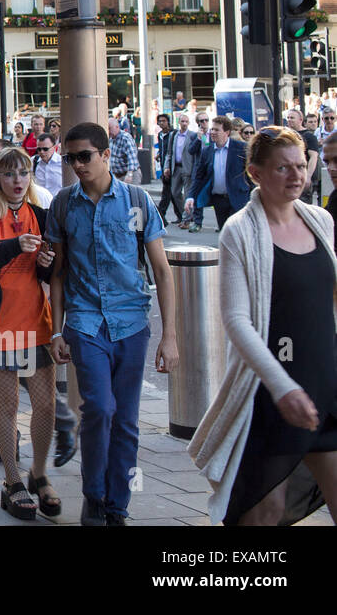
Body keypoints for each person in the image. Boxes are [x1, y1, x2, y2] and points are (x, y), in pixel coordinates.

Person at [187, 126, 337, 525]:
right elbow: (236, 320)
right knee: (264, 511)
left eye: (301, 166)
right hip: (273, 392)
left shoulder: (321, 221)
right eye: (283, 168)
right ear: (255, 172)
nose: (296, 176)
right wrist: (282, 386)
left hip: (326, 383)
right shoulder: (240, 230)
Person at [47, 122, 179, 526]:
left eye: (84, 156)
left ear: (106, 154)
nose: (77, 165)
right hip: (85, 321)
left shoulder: (137, 200)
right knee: (100, 409)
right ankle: (95, 495)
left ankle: (118, 505)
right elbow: (58, 273)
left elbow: (161, 269)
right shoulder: (64, 203)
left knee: (126, 419)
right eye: (70, 158)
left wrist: (169, 336)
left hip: (131, 322)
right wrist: (57, 329)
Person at [0, 147, 60, 520]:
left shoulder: (40, 215)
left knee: (45, 405)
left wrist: (47, 262)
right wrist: (13, 246)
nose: (17, 181)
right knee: (8, 405)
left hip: (36, 322)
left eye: (23, 174)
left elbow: (48, 275)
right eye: (9, 174)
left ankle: (39, 473)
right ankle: (12, 482)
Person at [183, 116, 250, 231]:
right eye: (212, 129)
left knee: (238, 233)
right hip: (219, 200)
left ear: (227, 132)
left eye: (217, 130)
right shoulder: (207, 152)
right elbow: (199, 177)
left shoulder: (240, 148)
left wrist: (252, 196)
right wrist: (190, 197)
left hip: (238, 198)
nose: (213, 132)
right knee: (225, 233)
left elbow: (251, 173)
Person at [285, 108, 321, 206]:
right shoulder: (285, 135)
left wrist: (308, 176)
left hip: (302, 177)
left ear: (300, 120)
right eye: (288, 117)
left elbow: (314, 157)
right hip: (288, 177)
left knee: (303, 206)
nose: (289, 120)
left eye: (292, 118)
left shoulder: (309, 136)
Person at [154, 113, 177, 225]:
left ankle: (160, 215)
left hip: (171, 167)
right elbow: (163, 149)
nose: (162, 123)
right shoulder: (160, 135)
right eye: (160, 121)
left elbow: (171, 151)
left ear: (168, 122)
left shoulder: (173, 134)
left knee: (167, 193)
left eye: (164, 121)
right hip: (163, 165)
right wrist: (159, 155)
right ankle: (181, 215)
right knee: (171, 193)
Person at [107, 117, 139, 184]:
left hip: (129, 173)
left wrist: (129, 175)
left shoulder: (125, 138)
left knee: (130, 193)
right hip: (116, 175)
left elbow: (132, 158)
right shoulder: (110, 139)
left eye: (109, 128)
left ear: (117, 127)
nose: (108, 131)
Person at [32, 132, 62, 196]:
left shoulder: (62, 163)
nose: (42, 152)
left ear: (54, 147)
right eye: (39, 149)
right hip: (39, 203)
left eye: (45, 149)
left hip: (57, 203)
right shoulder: (33, 161)